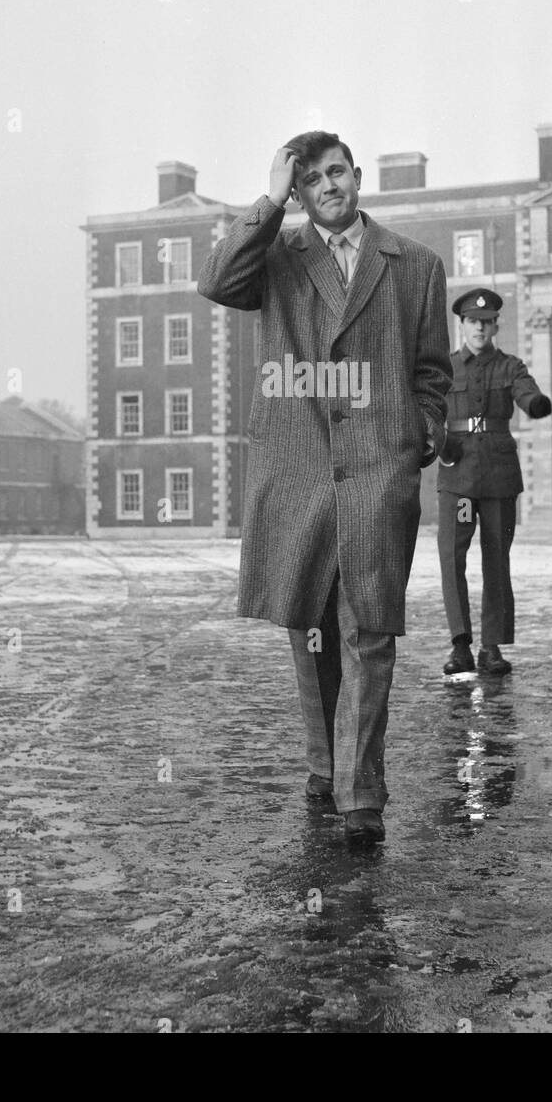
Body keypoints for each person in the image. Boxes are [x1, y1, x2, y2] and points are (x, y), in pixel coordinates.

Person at [198, 131, 451, 845]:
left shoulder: (416, 266)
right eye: (310, 180)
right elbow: (216, 281)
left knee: (369, 627)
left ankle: (361, 790)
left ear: (358, 176)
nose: (328, 186)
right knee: (307, 625)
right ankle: (325, 764)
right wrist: (269, 199)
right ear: (299, 193)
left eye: (336, 171)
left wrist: (420, 432)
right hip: (299, 463)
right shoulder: (276, 259)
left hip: (378, 467)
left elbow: (434, 369)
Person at [437, 288, 552, 677]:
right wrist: (435, 442)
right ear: (463, 325)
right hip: (458, 473)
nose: (480, 328)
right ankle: (459, 644)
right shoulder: (446, 367)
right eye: (473, 321)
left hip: (499, 476)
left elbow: (527, 393)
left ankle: (491, 647)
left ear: (495, 325)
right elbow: (427, 409)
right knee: (452, 558)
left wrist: (536, 404)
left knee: (496, 560)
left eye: (486, 322)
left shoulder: (511, 366)